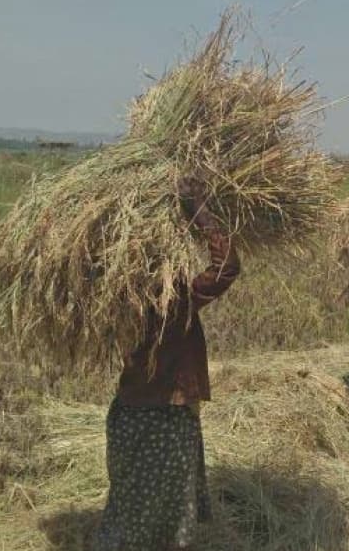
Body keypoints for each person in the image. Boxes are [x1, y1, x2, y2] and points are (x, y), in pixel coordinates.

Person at [92, 177, 240, 551]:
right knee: (160, 519)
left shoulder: (116, 300)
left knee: (128, 507)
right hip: (163, 421)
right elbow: (227, 266)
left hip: (126, 415)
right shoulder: (172, 304)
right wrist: (199, 211)